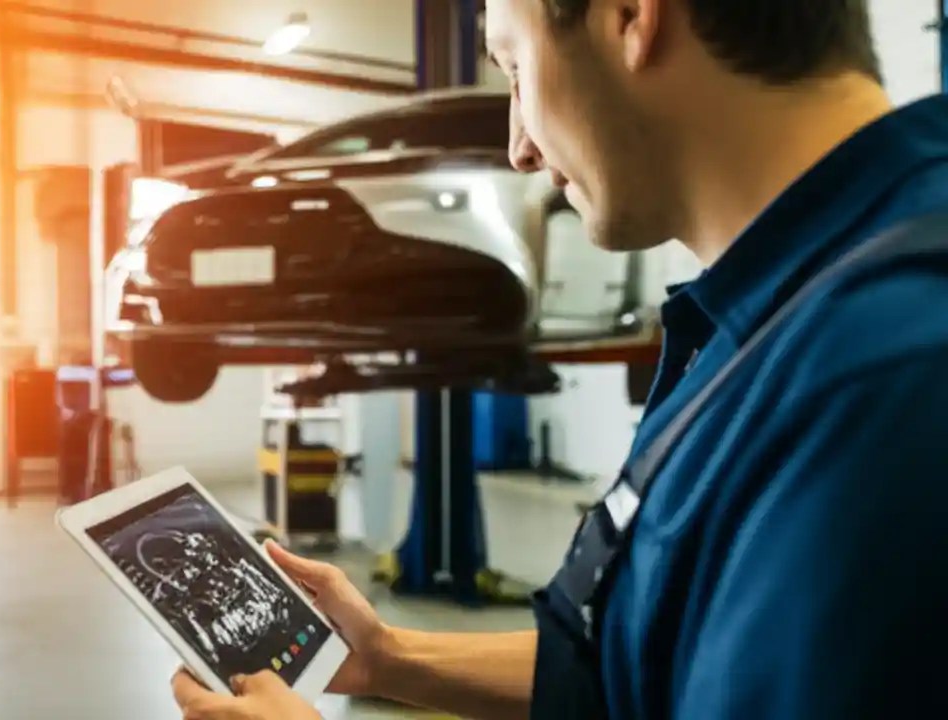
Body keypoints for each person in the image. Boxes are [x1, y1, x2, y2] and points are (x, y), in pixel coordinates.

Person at [171, 0, 948, 717]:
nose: (519, 146)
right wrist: (383, 655)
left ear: (629, 15)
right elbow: (650, 655)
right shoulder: (777, 317)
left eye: (515, 67)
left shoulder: (885, 382)